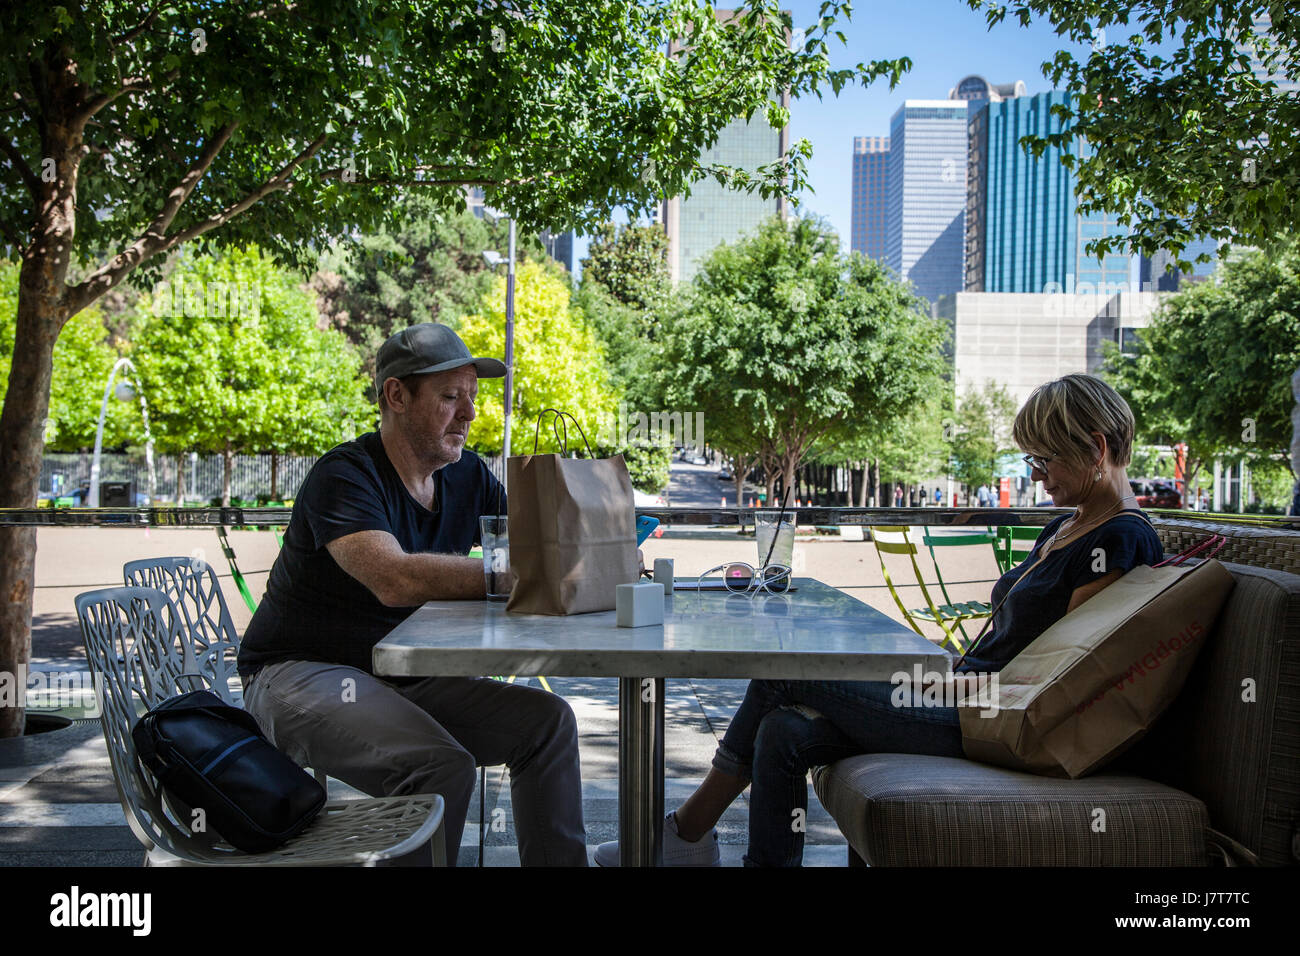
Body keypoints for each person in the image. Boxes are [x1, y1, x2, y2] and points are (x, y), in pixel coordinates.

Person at [593, 373, 1164, 866]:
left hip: (996, 719)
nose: (1037, 475)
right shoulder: (1068, 526)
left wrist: (950, 686)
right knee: (783, 730)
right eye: (1031, 459)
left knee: (784, 673)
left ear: (1095, 447)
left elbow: (1067, 677)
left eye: (1045, 458)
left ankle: (685, 834)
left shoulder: (1121, 538)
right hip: (967, 697)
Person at [238, 323, 588, 867]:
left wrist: (596, 550)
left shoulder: (465, 474)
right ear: (396, 395)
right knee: (439, 766)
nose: (470, 415)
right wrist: (517, 576)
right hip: (300, 673)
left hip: (403, 673)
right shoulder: (345, 475)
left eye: (472, 398)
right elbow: (393, 578)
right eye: (451, 397)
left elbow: (538, 541)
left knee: (547, 725)